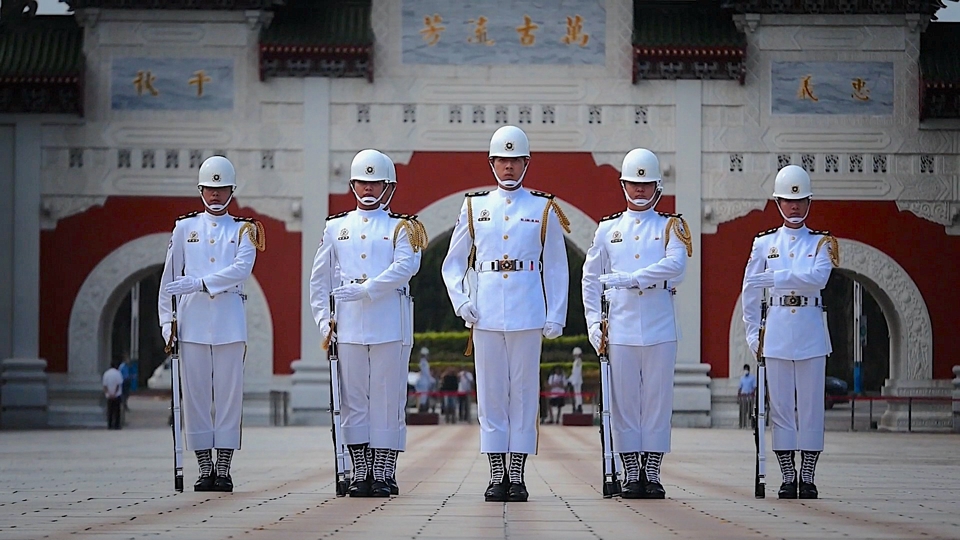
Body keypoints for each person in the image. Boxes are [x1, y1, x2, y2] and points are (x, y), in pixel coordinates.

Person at [441, 125, 570, 503]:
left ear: (526, 163)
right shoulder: (473, 206)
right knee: (492, 393)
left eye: (515, 160)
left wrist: (555, 314)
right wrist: (462, 301)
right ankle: (497, 472)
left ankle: (518, 472)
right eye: (502, 160)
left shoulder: (543, 207)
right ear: (491, 162)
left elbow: (557, 267)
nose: (508, 167)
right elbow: (453, 264)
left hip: (528, 309)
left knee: (525, 394)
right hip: (485, 311)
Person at [310, 148, 425, 498]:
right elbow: (320, 280)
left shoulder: (403, 227)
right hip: (349, 327)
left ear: (389, 187)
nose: (368, 189)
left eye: (376, 183)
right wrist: (322, 321)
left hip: (390, 323)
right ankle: (360, 470)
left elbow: (407, 266)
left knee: (387, 399)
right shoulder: (336, 228)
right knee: (353, 399)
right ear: (352, 184)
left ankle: (384, 470)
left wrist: (367, 289)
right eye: (362, 182)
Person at [582, 148, 691, 499]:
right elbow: (590, 278)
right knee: (625, 402)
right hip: (622, 325)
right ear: (623, 185)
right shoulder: (608, 229)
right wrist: (593, 325)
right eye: (633, 183)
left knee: (658, 401)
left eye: (646, 184)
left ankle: (653, 472)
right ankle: (631, 471)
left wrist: (632, 278)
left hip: (659, 324)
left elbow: (677, 266)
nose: (639, 190)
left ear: (658, 186)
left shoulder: (670, 226)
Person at [158, 155, 265, 493]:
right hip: (192, 324)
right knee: (196, 397)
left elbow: (241, 269)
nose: (215, 194)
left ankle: (224, 467)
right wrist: (166, 325)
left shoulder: (244, 230)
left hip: (229, 322)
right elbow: (168, 282)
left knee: (230, 398)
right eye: (209, 188)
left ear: (232, 190)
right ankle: (205, 468)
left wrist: (200, 283)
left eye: (221, 189)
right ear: (200, 190)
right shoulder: (185, 228)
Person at [741, 164, 838, 500]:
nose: (794, 206)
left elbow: (819, 279)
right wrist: (753, 334)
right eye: (787, 200)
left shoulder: (822, 242)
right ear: (778, 203)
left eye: (800, 201)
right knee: (780, 406)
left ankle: (808, 475)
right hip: (777, 331)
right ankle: (787, 475)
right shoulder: (763, 243)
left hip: (811, 330)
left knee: (811, 405)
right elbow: (750, 291)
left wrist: (779, 277)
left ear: (809, 203)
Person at [102, 360, 124, 430]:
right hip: (117, 395)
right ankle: (117, 425)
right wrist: (114, 393)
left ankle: (110, 424)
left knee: (110, 411)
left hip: (109, 395)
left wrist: (108, 393)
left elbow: (105, 385)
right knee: (117, 411)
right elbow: (118, 384)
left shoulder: (106, 374)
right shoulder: (118, 373)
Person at [738, 364, 757, 429]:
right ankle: (742, 424)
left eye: (746, 369)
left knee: (751, 411)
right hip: (743, 396)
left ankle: (752, 425)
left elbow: (754, 387)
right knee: (742, 411)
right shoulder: (742, 378)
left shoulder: (752, 378)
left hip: (749, 396)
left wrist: (753, 393)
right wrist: (738, 396)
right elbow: (740, 388)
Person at [415, 347, 434, 413]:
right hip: (424, 381)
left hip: (422, 380)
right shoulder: (424, 363)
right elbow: (426, 373)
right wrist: (431, 380)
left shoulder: (422, 362)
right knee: (424, 397)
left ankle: (422, 408)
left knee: (423, 396)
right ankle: (422, 409)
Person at [569, 347, 584, 413]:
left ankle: (579, 406)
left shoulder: (578, 361)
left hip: (577, 381)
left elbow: (577, 373)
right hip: (575, 380)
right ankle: (577, 405)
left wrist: (573, 381)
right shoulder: (577, 361)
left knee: (578, 394)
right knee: (576, 394)